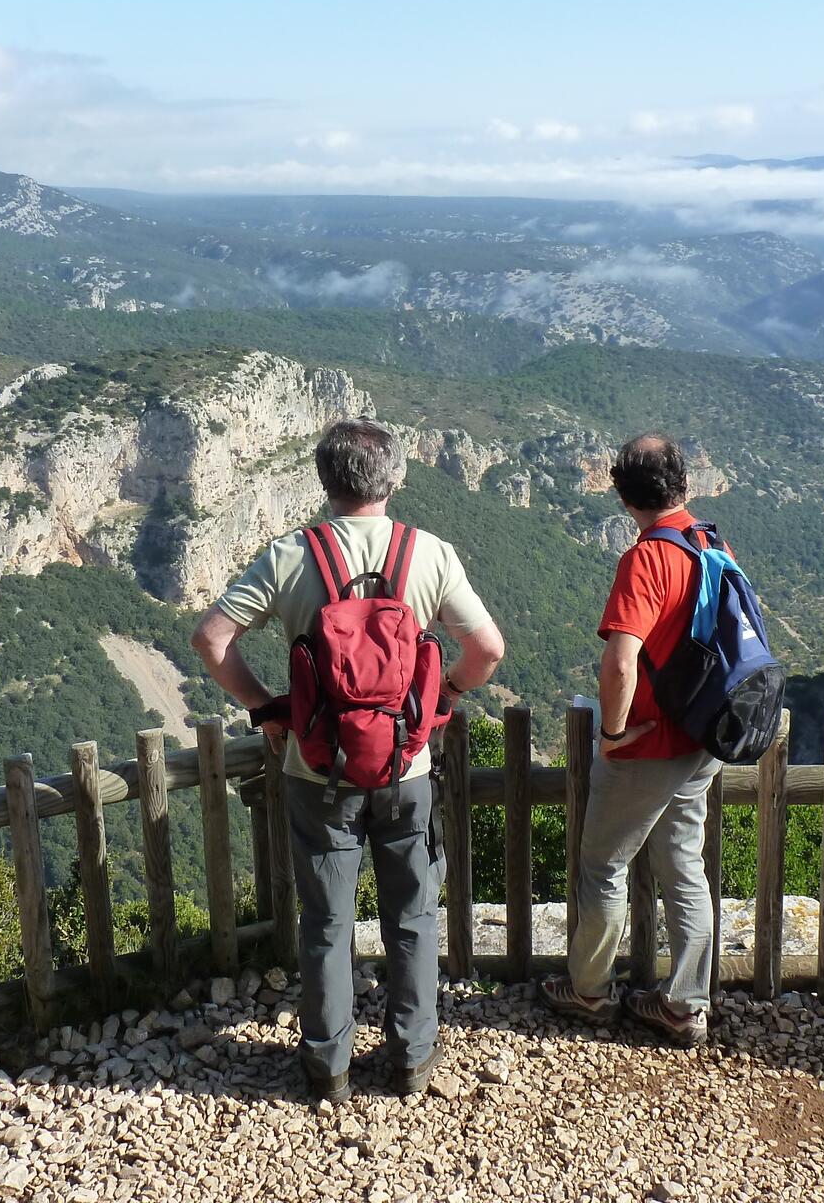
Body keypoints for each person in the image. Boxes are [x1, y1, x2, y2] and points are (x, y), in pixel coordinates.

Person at [191, 419, 506, 1101]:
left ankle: (327, 1064)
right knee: (413, 918)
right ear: (395, 478)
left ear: (324, 479)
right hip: (406, 770)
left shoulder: (290, 556)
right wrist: (443, 698)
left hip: (317, 773)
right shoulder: (430, 554)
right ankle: (411, 1057)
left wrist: (267, 709)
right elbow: (488, 651)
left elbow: (211, 638)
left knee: (327, 922)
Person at [542, 433, 722, 1046]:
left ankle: (590, 992)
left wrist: (613, 734)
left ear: (622, 496)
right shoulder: (710, 542)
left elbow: (621, 663)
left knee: (603, 867)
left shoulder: (648, 559)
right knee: (685, 868)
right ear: (685, 483)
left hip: (649, 746)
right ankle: (686, 1005)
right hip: (701, 739)